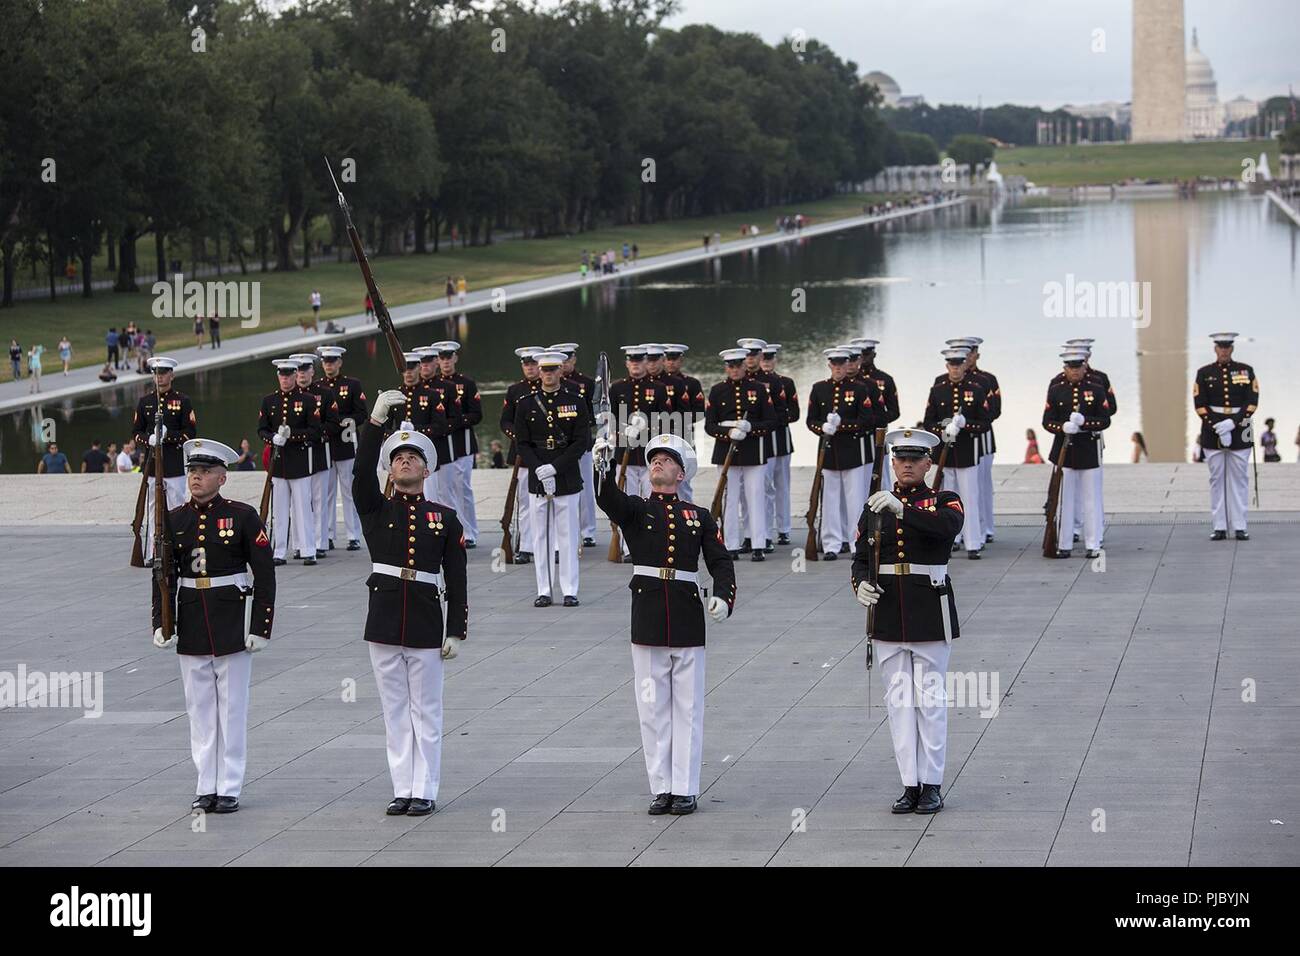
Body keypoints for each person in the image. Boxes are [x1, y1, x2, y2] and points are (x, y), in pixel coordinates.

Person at [592, 432, 735, 816]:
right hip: (649, 615)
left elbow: (720, 561)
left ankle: (685, 787)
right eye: (654, 458)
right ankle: (662, 787)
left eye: (667, 460)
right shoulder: (637, 510)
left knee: (687, 708)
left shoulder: (699, 517)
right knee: (652, 707)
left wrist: (723, 594)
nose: (657, 462)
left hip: (687, 615)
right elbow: (607, 498)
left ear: (681, 473)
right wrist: (601, 466)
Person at [353, 393, 469, 816]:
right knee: (394, 711)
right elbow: (360, 471)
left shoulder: (444, 517)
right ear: (390, 468)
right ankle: (403, 787)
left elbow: (456, 578)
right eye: (398, 456)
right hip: (383, 618)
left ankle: (426, 789)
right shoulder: (374, 508)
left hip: (424, 616)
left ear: (426, 468)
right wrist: (375, 422)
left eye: (412, 457)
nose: (404, 461)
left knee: (426, 710)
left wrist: (456, 629)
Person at [151, 438, 276, 814]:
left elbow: (265, 574)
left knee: (232, 709)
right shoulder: (174, 519)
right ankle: (206, 782)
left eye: (204, 472)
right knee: (200, 709)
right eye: (192, 471)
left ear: (223, 478)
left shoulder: (242, 515)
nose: (196, 478)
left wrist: (260, 625)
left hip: (230, 618)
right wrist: (161, 621)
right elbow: (164, 576)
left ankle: (230, 785)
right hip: (190, 618)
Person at [851, 427, 964, 815]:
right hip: (888, 612)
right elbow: (861, 555)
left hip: (928, 609)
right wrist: (860, 584)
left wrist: (904, 511)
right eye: (901, 459)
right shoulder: (876, 504)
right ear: (892, 463)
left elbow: (946, 530)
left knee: (930, 702)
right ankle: (910, 783)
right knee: (899, 703)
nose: (908, 465)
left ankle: (932, 783)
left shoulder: (945, 500)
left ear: (929, 464)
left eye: (916, 459)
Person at [514, 351, 590, 606]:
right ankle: (544, 590)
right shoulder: (525, 404)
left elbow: (581, 442)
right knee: (540, 536)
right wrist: (539, 468)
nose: (548, 374)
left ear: (560, 371)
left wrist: (555, 468)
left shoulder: (575, 401)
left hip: (566, 475)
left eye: (553, 370)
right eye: (544, 370)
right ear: (539, 372)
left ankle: (570, 589)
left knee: (567, 535)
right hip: (537, 476)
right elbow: (521, 443)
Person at [705, 348, 778, 561]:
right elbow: (709, 425)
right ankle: (731, 544)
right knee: (730, 498)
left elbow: (772, 421)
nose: (734, 370)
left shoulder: (758, 389)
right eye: (730, 366)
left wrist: (751, 428)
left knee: (756, 496)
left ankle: (758, 544)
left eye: (738, 366)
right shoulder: (717, 391)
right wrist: (727, 432)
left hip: (753, 451)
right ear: (726, 367)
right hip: (726, 452)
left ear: (745, 365)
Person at [806, 348, 877, 560]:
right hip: (828, 454)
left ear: (848, 365)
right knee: (829, 500)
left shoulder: (859, 388)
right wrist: (822, 427)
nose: (838, 368)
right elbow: (811, 420)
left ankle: (856, 543)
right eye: (834, 365)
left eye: (841, 365)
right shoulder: (819, 389)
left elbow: (867, 420)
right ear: (829, 365)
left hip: (852, 452)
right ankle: (831, 544)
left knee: (855, 500)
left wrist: (843, 425)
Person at [1042, 349, 1112, 559]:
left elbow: (1105, 419)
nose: (1075, 371)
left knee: (1091, 500)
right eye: (1070, 368)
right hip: (1064, 451)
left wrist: (1086, 423)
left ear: (1084, 367)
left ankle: (1093, 543)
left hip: (1088, 450)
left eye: (1078, 367)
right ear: (1065, 368)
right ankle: (1063, 544)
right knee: (1065, 499)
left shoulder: (1096, 388)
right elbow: (1046, 420)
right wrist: (1061, 426)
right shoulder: (1056, 389)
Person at [923, 347, 989, 558]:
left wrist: (966, 424)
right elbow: (928, 421)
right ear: (947, 366)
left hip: (967, 453)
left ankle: (973, 543)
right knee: (947, 501)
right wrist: (944, 427)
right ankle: (952, 539)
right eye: (952, 365)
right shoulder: (938, 389)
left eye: (959, 364)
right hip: (945, 454)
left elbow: (985, 422)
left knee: (970, 497)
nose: (955, 368)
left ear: (964, 365)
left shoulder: (976, 389)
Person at [257, 359, 322, 566]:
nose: (285, 379)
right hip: (279, 463)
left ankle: (308, 549)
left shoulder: (308, 400)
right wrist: (272, 438)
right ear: (278, 377)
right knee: (280, 509)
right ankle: (279, 550)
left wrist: (292, 435)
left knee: (303, 507)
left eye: (289, 375)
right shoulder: (269, 401)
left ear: (295, 375)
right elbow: (262, 429)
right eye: (282, 376)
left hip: (299, 461)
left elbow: (315, 431)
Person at [132, 357, 198, 560]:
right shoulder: (145, 402)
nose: (160, 378)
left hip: (174, 464)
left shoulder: (182, 401)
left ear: (172, 375)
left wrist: (168, 437)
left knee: (176, 508)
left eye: (163, 373)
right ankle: (154, 550)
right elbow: (136, 432)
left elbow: (190, 432)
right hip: (152, 465)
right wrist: (149, 439)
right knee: (153, 509)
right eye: (157, 374)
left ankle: (175, 549)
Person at [1194, 332, 1258, 540]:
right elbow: (1200, 404)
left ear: (1232, 349)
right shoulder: (1204, 373)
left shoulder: (1246, 371)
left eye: (1227, 347)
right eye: (1220, 347)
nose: (1224, 350)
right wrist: (1218, 426)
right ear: (1215, 349)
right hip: (1213, 430)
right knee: (1216, 479)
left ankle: (1240, 525)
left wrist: (1233, 423)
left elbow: (1252, 401)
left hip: (1240, 428)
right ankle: (1219, 525)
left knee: (1240, 479)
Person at [946, 337, 1000, 545]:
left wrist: (967, 425)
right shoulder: (942, 383)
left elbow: (993, 411)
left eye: (968, 354)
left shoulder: (985, 380)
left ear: (975, 354)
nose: (965, 359)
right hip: (952, 443)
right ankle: (959, 532)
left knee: (981, 485)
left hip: (979, 441)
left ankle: (983, 527)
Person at [610, 345, 673, 509]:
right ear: (627, 363)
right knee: (626, 500)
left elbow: (667, 420)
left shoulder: (658, 388)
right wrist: (623, 429)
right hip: (624, 452)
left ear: (646, 362)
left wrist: (646, 426)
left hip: (650, 453)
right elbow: (610, 418)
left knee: (651, 499)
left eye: (639, 360)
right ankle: (625, 535)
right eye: (632, 361)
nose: (635, 364)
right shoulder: (617, 388)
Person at [317, 346, 367, 549]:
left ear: (339, 363)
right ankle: (328, 534)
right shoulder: (317, 387)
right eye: (326, 362)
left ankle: (353, 535)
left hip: (346, 444)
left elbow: (361, 413)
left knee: (349, 491)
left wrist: (344, 422)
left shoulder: (352, 385)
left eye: (332, 361)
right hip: (326, 445)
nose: (329, 365)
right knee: (326, 493)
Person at [289, 353, 338, 559]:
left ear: (312, 371)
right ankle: (300, 543)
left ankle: (319, 542)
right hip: (296, 454)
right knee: (299, 502)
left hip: (318, 451)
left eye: (305, 370)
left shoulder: (324, 394)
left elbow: (333, 423)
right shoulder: (288, 397)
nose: (301, 374)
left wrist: (314, 433)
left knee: (319, 499)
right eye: (298, 370)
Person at [500, 347, 546, 564]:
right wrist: (518, 435)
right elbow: (505, 421)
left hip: (546, 454)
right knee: (525, 503)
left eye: (533, 364)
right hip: (523, 454)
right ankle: (526, 546)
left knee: (549, 501)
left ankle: (549, 545)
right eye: (526, 364)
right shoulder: (515, 390)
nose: (530, 368)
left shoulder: (550, 388)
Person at [553, 342, 596, 547]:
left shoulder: (585, 383)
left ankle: (588, 530)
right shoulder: (552, 386)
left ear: (573, 359)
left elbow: (593, 414)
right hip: (560, 447)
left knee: (585, 487)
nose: (564, 364)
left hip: (581, 443)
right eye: (560, 361)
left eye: (567, 359)